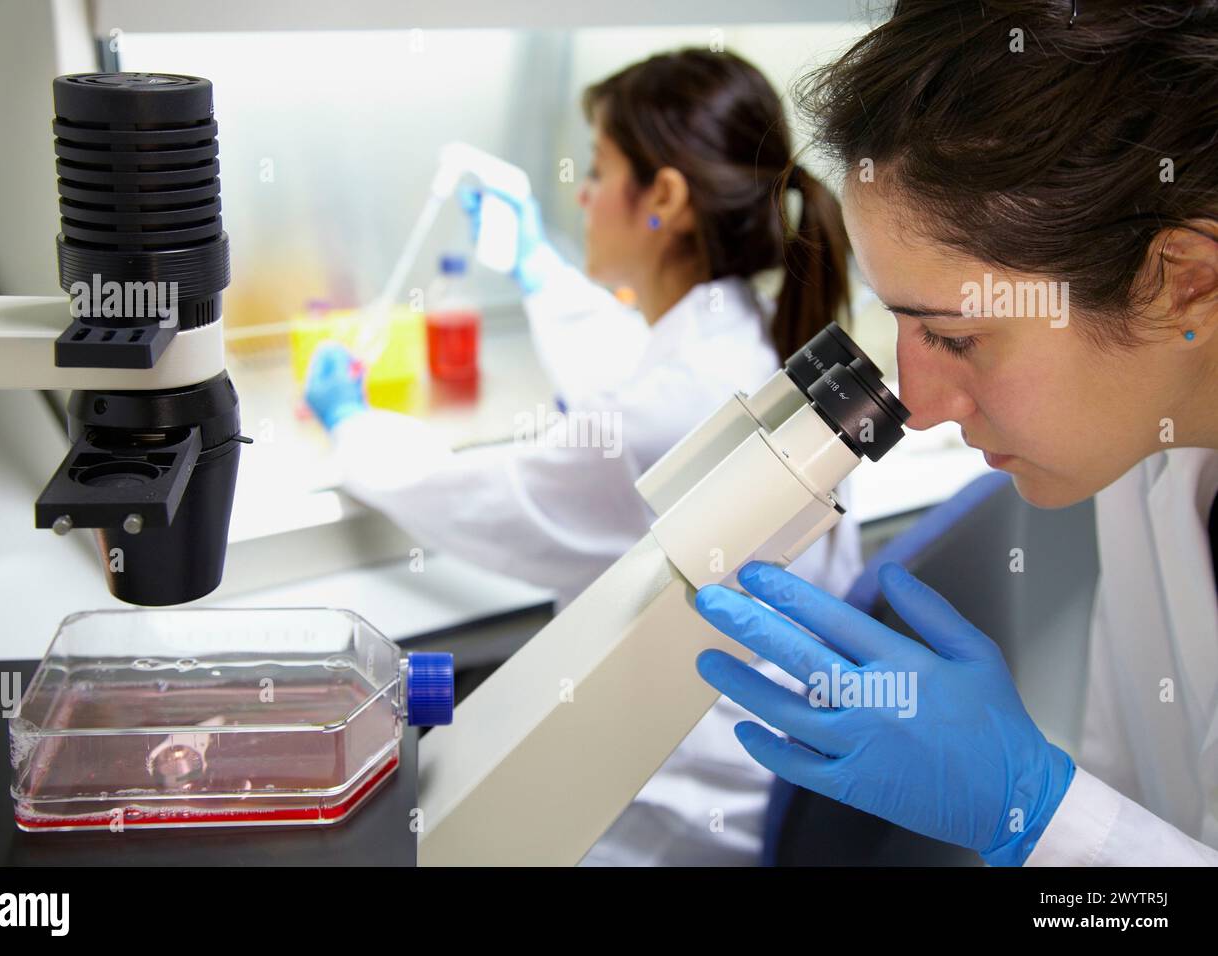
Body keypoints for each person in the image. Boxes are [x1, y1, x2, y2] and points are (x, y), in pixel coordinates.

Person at [694, 0, 1218, 865]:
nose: (921, 403)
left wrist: (1036, 813)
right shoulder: (1139, 464)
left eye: (956, 336)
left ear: (1183, 286)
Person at [305, 49, 859, 864]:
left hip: (668, 814)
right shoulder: (739, 342)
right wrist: (538, 270)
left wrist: (352, 425)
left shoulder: (678, 403)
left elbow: (487, 499)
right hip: (735, 769)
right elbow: (630, 372)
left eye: (597, 170)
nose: (582, 194)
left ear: (663, 198)